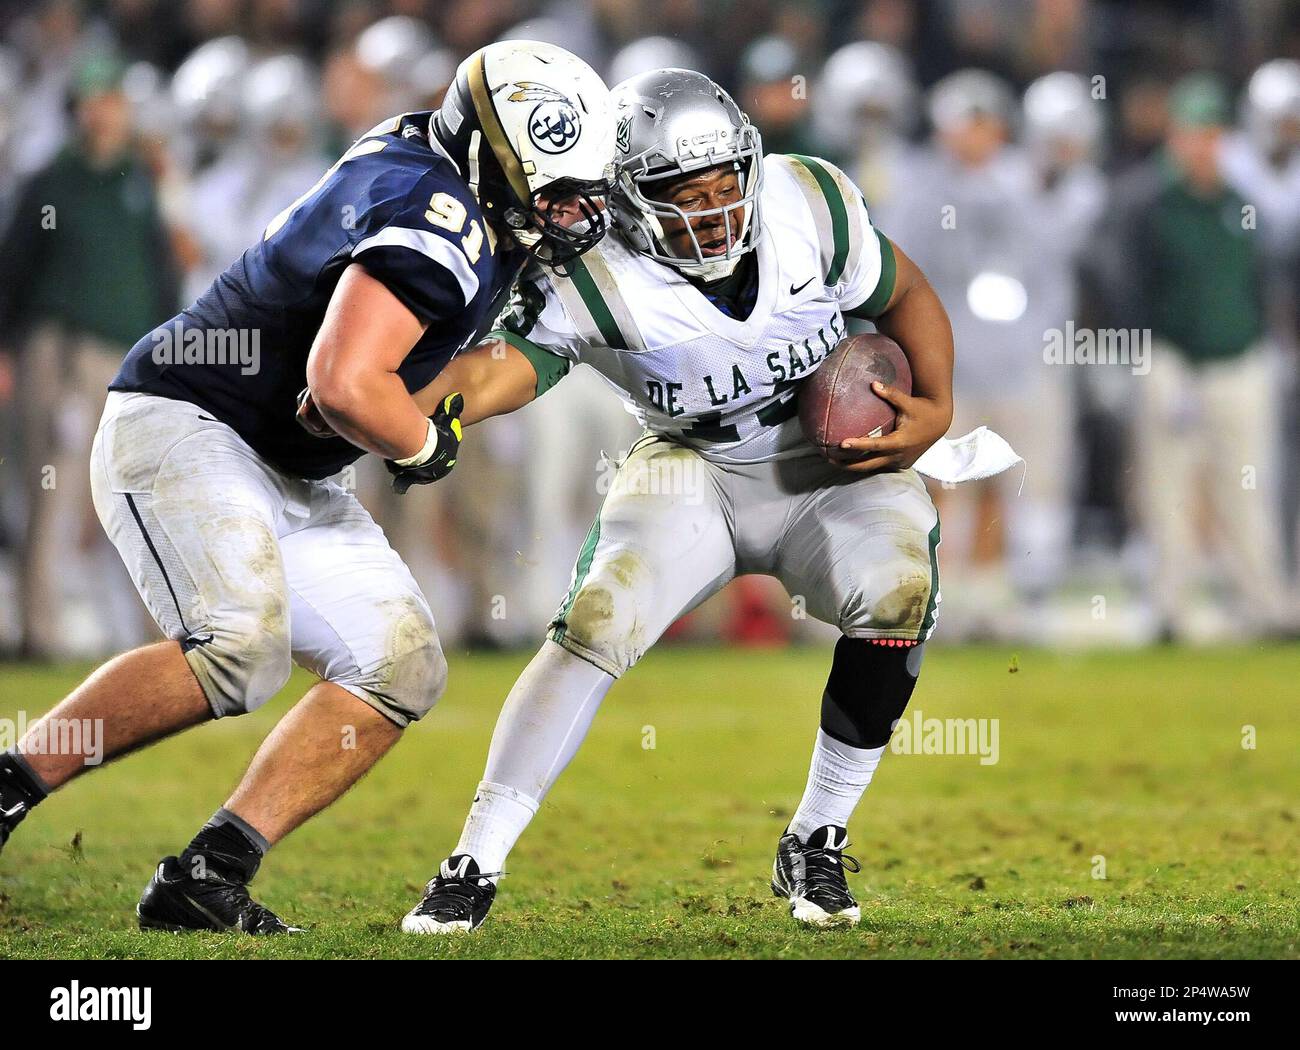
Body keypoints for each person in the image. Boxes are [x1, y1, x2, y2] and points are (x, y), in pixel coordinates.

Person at [0, 40, 616, 935]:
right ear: (491, 159)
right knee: (236, 651)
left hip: (286, 462)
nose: (571, 211)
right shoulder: (440, 216)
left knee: (397, 666)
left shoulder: (438, 166)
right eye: (554, 187)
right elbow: (341, 383)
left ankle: (208, 874)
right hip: (192, 419)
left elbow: (370, 379)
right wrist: (421, 445)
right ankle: (12, 785)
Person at [395, 69, 1007, 934]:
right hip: (694, 467)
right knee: (596, 624)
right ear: (631, 198)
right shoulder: (592, 269)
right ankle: (474, 861)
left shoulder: (810, 202)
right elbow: (501, 369)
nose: (716, 209)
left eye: (727, 185)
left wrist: (936, 407)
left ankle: (818, 837)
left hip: (824, 464)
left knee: (900, 593)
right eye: (686, 192)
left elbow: (904, 294)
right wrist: (416, 411)